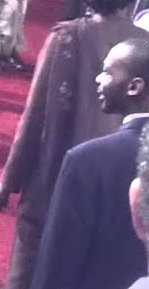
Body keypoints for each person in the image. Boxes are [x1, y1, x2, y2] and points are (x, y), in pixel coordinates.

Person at [0, 0, 146, 289]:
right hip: (127, 176)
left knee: (32, 263)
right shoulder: (140, 44)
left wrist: (8, 181)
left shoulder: (66, 37)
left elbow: (36, 114)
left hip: (55, 170)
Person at [29, 37, 149, 289]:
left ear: (134, 87)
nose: (97, 79)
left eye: (107, 72)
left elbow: (59, 259)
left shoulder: (87, 160)